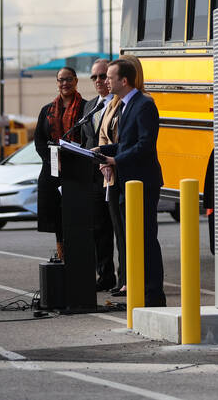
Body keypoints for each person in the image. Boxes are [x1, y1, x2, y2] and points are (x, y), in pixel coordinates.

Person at [98, 57, 165, 307]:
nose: (106, 81)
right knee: (132, 240)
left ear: (124, 81)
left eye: (110, 78)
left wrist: (115, 160)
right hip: (128, 183)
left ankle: (154, 295)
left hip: (143, 183)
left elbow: (145, 145)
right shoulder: (125, 104)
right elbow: (127, 143)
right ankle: (140, 292)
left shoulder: (144, 104)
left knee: (146, 238)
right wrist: (103, 150)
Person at [34, 66, 86, 260]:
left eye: (69, 79)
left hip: (77, 172)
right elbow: (39, 141)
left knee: (77, 218)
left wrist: (73, 161)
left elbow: (88, 139)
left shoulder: (86, 108)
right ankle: (62, 255)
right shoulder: (46, 110)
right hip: (53, 171)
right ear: (57, 83)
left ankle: (79, 259)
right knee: (57, 219)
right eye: (61, 80)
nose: (65, 83)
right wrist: (52, 160)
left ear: (76, 81)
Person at [81, 59, 117, 292]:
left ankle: (125, 278)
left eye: (103, 76)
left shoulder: (119, 103)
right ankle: (105, 276)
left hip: (114, 172)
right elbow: (86, 141)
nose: (98, 81)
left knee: (119, 227)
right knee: (99, 229)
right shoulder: (90, 106)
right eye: (94, 77)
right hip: (94, 177)